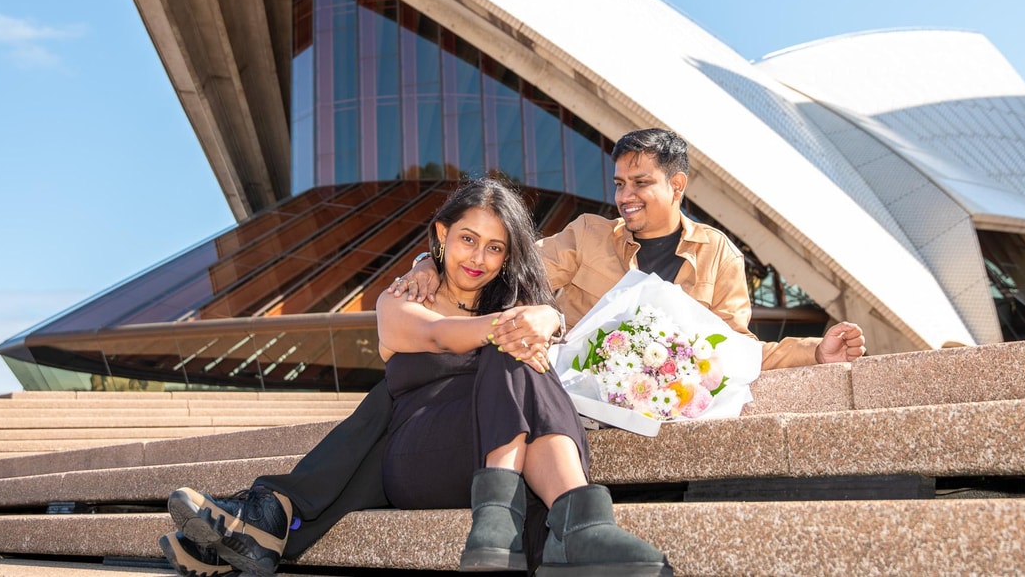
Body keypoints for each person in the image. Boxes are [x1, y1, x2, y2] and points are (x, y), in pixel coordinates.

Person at [158, 178, 672, 577]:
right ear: (443, 234)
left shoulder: (511, 310)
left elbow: (522, 331)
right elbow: (444, 336)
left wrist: (548, 317)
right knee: (507, 346)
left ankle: (565, 528)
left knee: (513, 358)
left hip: (502, 454)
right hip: (419, 455)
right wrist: (531, 319)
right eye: (468, 239)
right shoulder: (403, 300)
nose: (479, 258)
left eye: (495, 247)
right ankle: (571, 526)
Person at [393, 128, 866, 371]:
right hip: (573, 391)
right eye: (620, 183)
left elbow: (732, 349)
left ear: (676, 184)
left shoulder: (718, 253)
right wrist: (427, 265)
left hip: (664, 401)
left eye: (641, 182)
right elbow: (501, 266)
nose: (625, 196)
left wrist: (814, 352)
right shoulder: (587, 234)